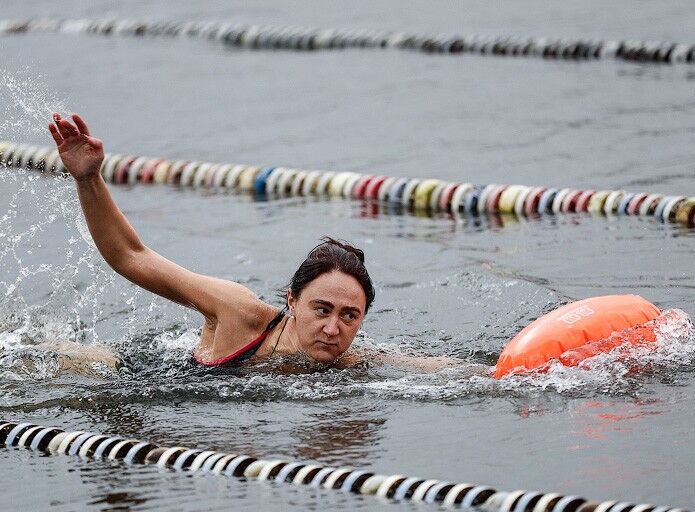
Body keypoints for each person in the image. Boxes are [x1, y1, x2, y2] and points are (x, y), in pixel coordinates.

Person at [48, 113, 461, 372]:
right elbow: (130, 256)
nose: (333, 328)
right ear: (292, 301)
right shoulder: (238, 311)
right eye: (321, 309)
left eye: (350, 316)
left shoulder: (349, 363)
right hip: (128, 372)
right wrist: (89, 178)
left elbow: (440, 370)